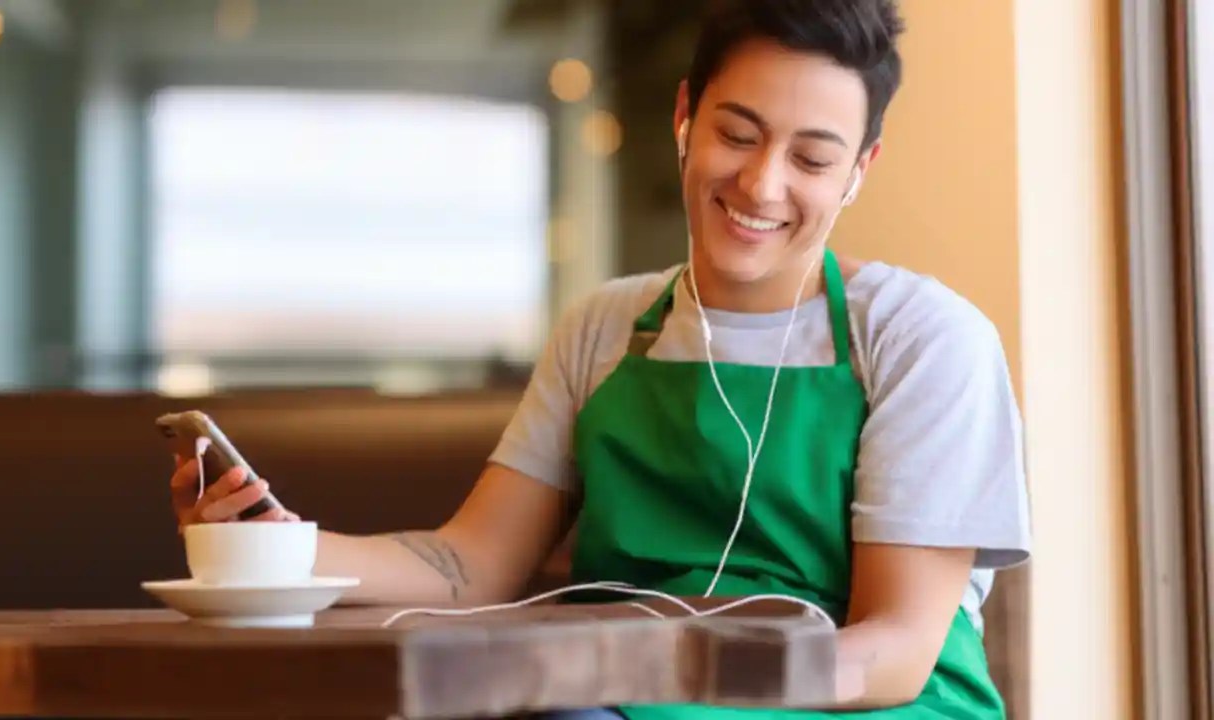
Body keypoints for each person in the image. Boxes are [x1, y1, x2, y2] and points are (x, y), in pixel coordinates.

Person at [169, 0, 1031, 717]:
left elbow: (895, 652)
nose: (764, 185)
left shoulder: (922, 339)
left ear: (857, 172)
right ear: (685, 116)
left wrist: (650, 680)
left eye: (811, 158)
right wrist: (281, 551)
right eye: (738, 133)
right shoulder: (606, 328)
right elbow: (470, 566)